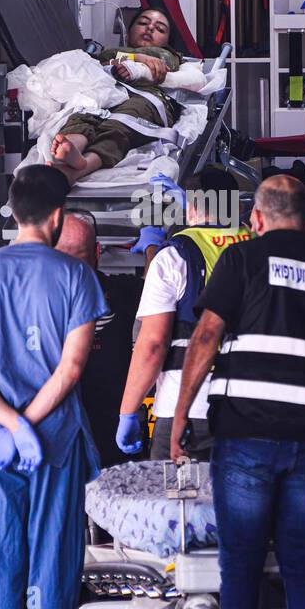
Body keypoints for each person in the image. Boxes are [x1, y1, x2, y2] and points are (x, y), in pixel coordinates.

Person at [173, 175, 305, 609]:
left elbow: (205, 337)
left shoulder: (241, 258)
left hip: (246, 435)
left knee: (240, 563)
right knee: (301, 562)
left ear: (256, 219)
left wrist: (183, 412)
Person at [0, 165, 106, 609]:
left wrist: (9, 426)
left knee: (4, 573)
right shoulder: (77, 276)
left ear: (14, 213)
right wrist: (29, 425)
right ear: (57, 216)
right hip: (54, 445)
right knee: (52, 573)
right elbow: (71, 369)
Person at [117, 172, 251, 461]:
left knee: (178, 505)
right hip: (254, 408)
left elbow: (152, 345)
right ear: (237, 207)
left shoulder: (174, 257)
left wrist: (129, 410)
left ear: (190, 208)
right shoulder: (259, 248)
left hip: (189, 411)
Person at [49, 8, 185, 185]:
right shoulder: (115, 51)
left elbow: (162, 63)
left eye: (159, 29)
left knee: (121, 123)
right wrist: (136, 57)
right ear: (128, 34)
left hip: (145, 97)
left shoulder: (168, 55)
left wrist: (136, 64)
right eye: (143, 23)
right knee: (84, 112)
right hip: (105, 90)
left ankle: (85, 164)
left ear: (167, 41)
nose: (150, 28)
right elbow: (98, 63)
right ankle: (71, 146)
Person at [55, 207, 144, 469]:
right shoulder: (38, 301)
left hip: (112, 429)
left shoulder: (126, 292)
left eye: (77, 257)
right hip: (66, 431)